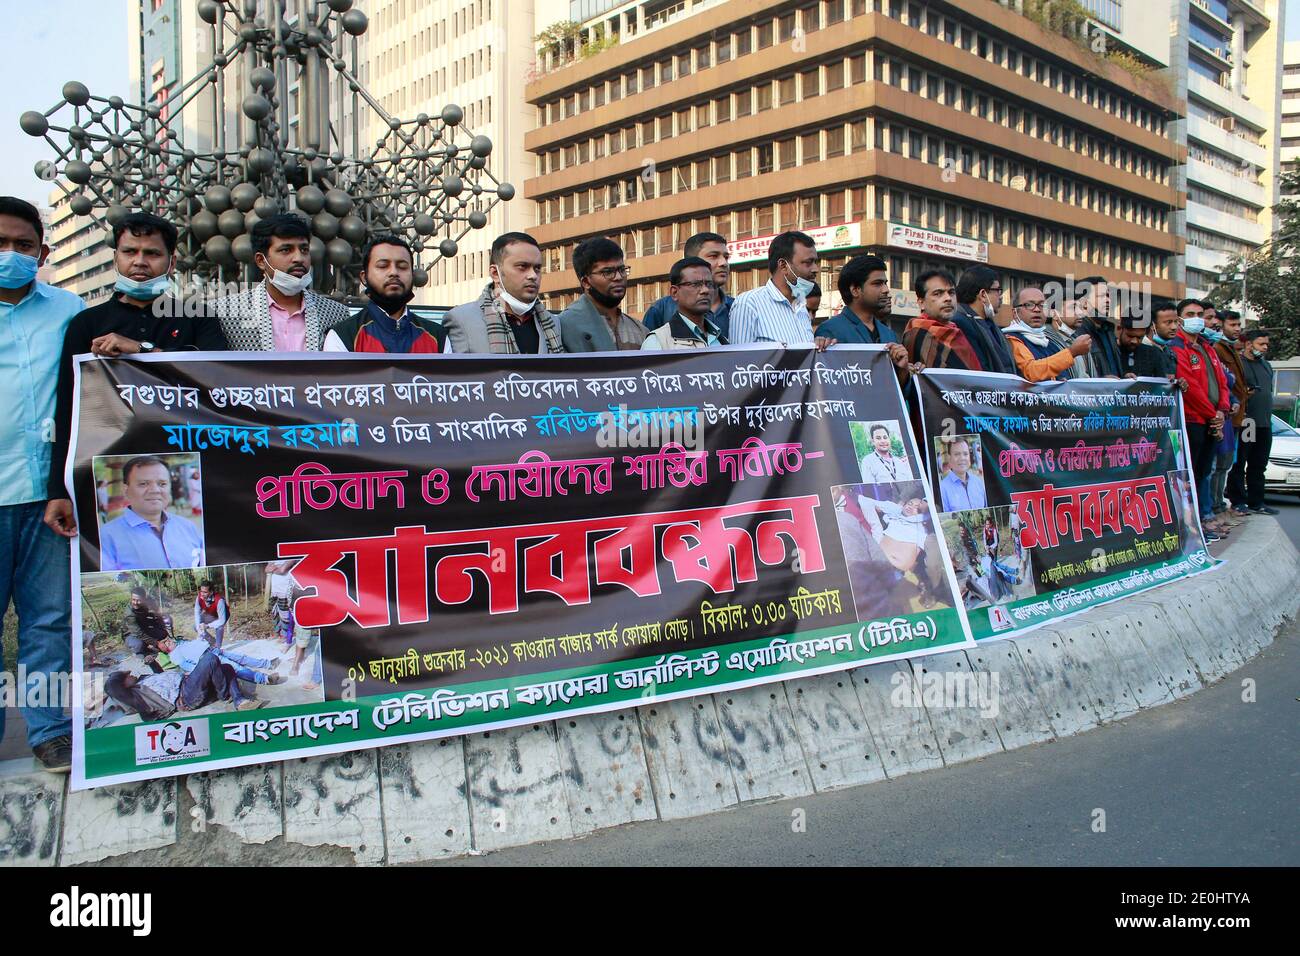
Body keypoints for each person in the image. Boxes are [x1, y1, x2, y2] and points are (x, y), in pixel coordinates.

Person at [43, 212, 228, 537]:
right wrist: (59, 489)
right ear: (116, 256)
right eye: (130, 252)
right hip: (107, 464)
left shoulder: (197, 318)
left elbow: (218, 383)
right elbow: (68, 411)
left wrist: (140, 350)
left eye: (152, 253)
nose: (140, 262)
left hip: (196, 462)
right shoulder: (86, 324)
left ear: (171, 262)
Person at [0, 195, 84, 772]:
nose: (11, 255)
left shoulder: (69, 311)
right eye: (0, 245)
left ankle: (50, 730)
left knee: (49, 619)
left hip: (49, 495)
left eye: (23, 246)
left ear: (43, 252)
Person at [214, 213, 349, 350]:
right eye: (286, 250)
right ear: (261, 261)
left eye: (304, 250)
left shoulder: (336, 314)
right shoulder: (226, 312)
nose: (299, 258)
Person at [1168, 298, 1231, 541]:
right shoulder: (1177, 347)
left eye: (1200, 313)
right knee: (1189, 473)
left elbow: (1222, 383)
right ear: (1180, 318)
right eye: (1190, 313)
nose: (1197, 318)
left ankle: (1203, 519)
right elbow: (1190, 387)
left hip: (1213, 420)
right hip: (1194, 419)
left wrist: (1221, 410)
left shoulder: (1207, 348)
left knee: (1204, 471)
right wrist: (1211, 414)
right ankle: (1189, 525)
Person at [324, 234, 448, 352]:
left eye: (402, 266)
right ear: (364, 277)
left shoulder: (438, 337)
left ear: (413, 275)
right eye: (383, 266)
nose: (394, 272)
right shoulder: (342, 336)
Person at [444, 232, 562, 354]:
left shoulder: (553, 323)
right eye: (522, 266)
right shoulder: (463, 320)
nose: (533, 275)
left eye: (537, 268)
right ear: (495, 273)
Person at [815, 254, 913, 383]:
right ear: (855, 290)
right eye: (877, 284)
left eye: (885, 283)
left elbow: (899, 393)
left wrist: (903, 370)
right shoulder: (831, 331)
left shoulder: (888, 334)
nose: (886, 290)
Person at [98, 456, 205, 570]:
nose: (155, 490)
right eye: (143, 484)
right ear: (126, 490)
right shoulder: (106, 537)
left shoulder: (188, 527)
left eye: (162, 484)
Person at [729, 231, 819, 345]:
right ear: (783, 265)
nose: (816, 269)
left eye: (815, 262)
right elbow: (740, 360)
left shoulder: (801, 308)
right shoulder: (748, 304)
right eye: (808, 262)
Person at [558, 237, 645, 351]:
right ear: (586, 282)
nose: (618, 277)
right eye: (608, 272)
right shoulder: (564, 327)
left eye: (622, 269)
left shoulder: (639, 330)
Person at [854, 493, 940, 607]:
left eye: (916, 508)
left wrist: (923, 510)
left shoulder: (923, 527)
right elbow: (865, 501)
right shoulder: (895, 514)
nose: (911, 507)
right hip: (877, 563)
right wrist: (882, 517)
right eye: (910, 504)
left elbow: (933, 510)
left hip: (895, 572)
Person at [642, 232, 733, 338]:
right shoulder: (661, 310)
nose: (724, 263)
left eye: (726, 257)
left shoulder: (736, 308)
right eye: (713, 256)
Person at [1229, 329, 1279, 517]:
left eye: (1266, 344)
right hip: (1247, 421)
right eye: (1261, 344)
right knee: (1240, 463)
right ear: (1249, 344)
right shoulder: (1239, 364)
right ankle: (1238, 501)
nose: (1265, 348)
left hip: (1265, 423)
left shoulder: (1266, 365)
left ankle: (1257, 502)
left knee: (1259, 464)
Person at [151, 636, 267, 711]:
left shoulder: (182, 643)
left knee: (229, 667)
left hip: (211, 651)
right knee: (227, 664)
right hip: (201, 670)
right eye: (166, 643)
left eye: (168, 640)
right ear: (167, 650)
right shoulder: (174, 655)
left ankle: (240, 701)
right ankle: (262, 679)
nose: (169, 641)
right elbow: (189, 667)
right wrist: (205, 667)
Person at [1208, 308, 1248, 523]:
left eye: (1238, 325)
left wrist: (1232, 401)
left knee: (1224, 464)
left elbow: (1227, 383)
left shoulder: (1225, 349)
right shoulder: (1216, 348)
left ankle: (1219, 505)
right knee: (1213, 467)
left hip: (1229, 415)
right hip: (1212, 416)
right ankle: (1212, 510)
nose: (1237, 328)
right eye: (1232, 325)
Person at [1004, 286, 1090, 382]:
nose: (1037, 309)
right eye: (1029, 305)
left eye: (1042, 305)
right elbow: (1031, 371)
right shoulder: (1011, 338)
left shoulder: (1050, 343)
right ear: (1015, 312)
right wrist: (1071, 352)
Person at [641, 257, 729, 350]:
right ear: (674, 292)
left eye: (709, 284)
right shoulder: (658, 342)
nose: (705, 290)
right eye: (695, 284)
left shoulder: (721, 340)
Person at [903, 269, 981, 370]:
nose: (948, 298)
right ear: (921, 302)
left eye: (951, 292)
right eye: (938, 293)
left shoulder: (955, 331)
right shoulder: (918, 332)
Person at [953, 265, 1014, 374]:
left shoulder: (989, 324)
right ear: (983, 295)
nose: (1000, 296)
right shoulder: (961, 323)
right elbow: (979, 369)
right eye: (998, 290)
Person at [1074, 275, 1121, 377]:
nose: (1108, 300)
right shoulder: (1077, 334)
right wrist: (1102, 381)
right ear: (1084, 303)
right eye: (1101, 296)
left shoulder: (1109, 331)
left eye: (1108, 296)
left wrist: (1124, 376)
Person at [937, 437, 987, 511]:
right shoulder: (942, 488)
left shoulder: (979, 482)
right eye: (957, 454)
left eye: (965, 454)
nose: (962, 458)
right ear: (949, 458)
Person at [1116, 310, 1168, 378]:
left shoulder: (1153, 353)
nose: (1134, 341)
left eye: (1139, 337)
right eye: (1130, 336)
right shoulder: (1107, 352)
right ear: (1119, 329)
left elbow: (1162, 384)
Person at [121, 586, 172, 655]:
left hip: (143, 628)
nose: (135, 602)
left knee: (163, 633)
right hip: (131, 634)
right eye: (133, 599)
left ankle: (152, 646)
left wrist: (158, 617)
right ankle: (143, 653)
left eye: (138, 600)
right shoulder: (129, 614)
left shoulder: (143, 605)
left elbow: (149, 614)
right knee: (139, 645)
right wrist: (157, 643)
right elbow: (139, 634)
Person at [194, 580, 229, 648]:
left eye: (205, 592)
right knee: (196, 626)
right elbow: (196, 612)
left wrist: (207, 626)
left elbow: (222, 621)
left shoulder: (219, 601)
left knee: (220, 627)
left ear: (211, 592)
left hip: (221, 617)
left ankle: (218, 646)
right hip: (210, 614)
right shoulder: (199, 597)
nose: (202, 594)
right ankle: (212, 640)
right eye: (201, 591)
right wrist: (199, 629)